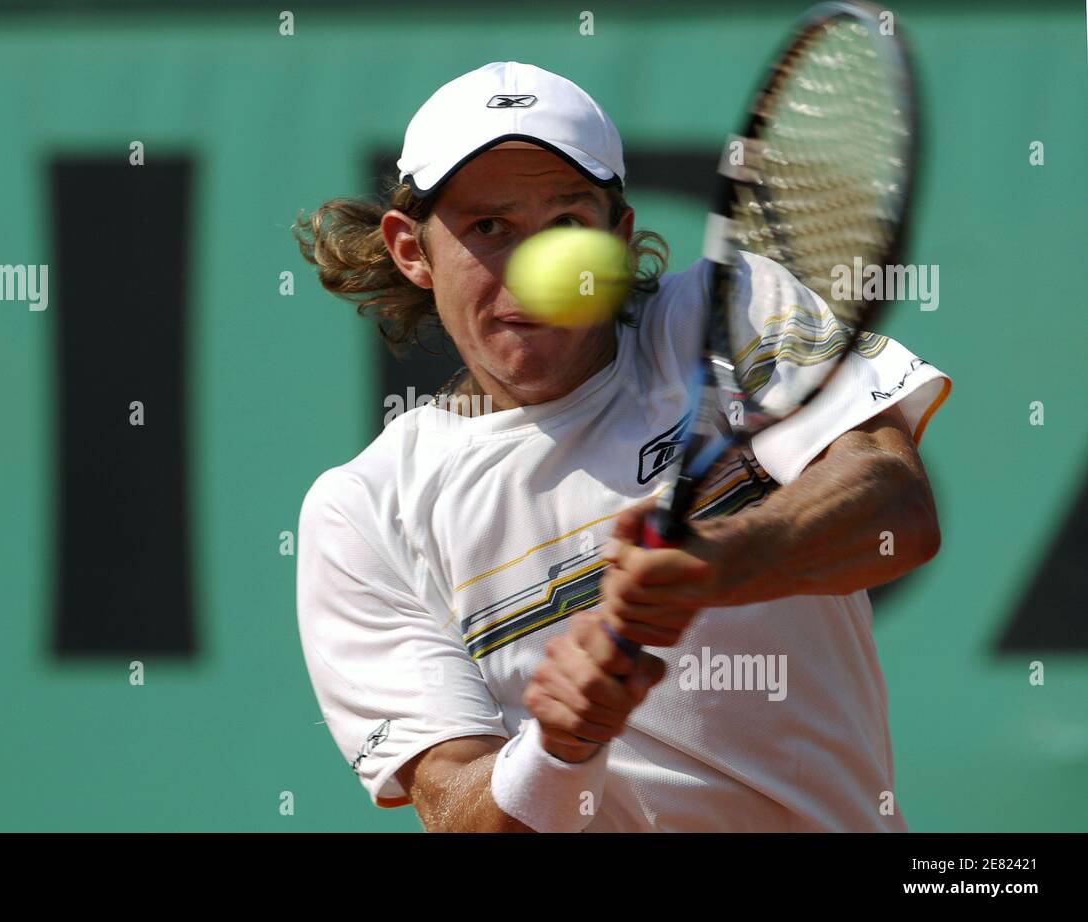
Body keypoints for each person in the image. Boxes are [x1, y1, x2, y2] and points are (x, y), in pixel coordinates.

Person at [292, 61, 951, 832]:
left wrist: (725, 560)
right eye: (489, 228)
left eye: (567, 226)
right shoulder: (364, 511)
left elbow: (895, 508)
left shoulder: (723, 310)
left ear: (619, 239)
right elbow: (454, 807)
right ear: (411, 249)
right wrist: (562, 743)